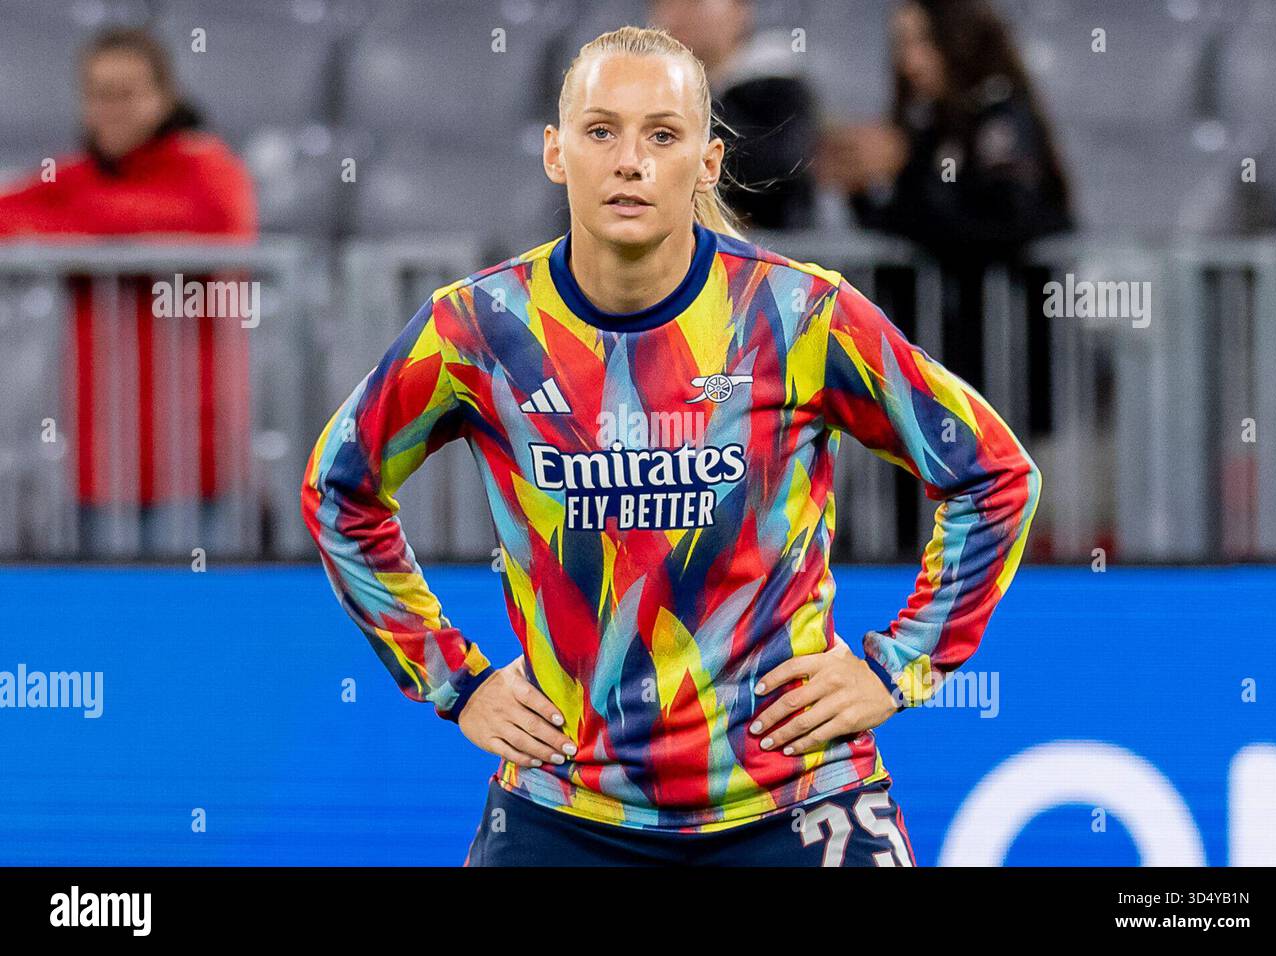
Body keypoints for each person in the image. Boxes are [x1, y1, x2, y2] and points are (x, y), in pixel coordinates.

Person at [301, 25, 1041, 866]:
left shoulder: (797, 316)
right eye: (600, 130)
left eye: (662, 134)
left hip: (800, 799)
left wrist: (900, 667)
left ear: (710, 161)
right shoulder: (477, 330)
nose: (630, 161)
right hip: (563, 810)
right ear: (554, 152)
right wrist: (453, 680)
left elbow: (994, 475)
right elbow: (339, 489)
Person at [0, 27, 258, 555]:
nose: (111, 109)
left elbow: (211, 220)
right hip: (101, 466)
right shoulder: (74, 176)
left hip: (195, 463)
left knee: (193, 619)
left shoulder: (207, 167)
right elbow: (7, 212)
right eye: (98, 94)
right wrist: (103, 235)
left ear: (165, 97)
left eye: (127, 93)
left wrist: (73, 233)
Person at [817, 0, 1072, 393]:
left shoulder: (1000, 116)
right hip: (942, 370)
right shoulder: (926, 125)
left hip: (1007, 367)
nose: (908, 61)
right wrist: (861, 188)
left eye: (922, 42)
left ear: (957, 40)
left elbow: (1004, 222)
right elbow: (905, 228)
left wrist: (903, 168)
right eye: (900, 45)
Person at [650, 0, 820, 231]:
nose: (676, 14)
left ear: (740, 10)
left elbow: (777, 168)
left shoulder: (777, 85)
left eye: (694, 2)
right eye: (664, 3)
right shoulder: (648, 86)